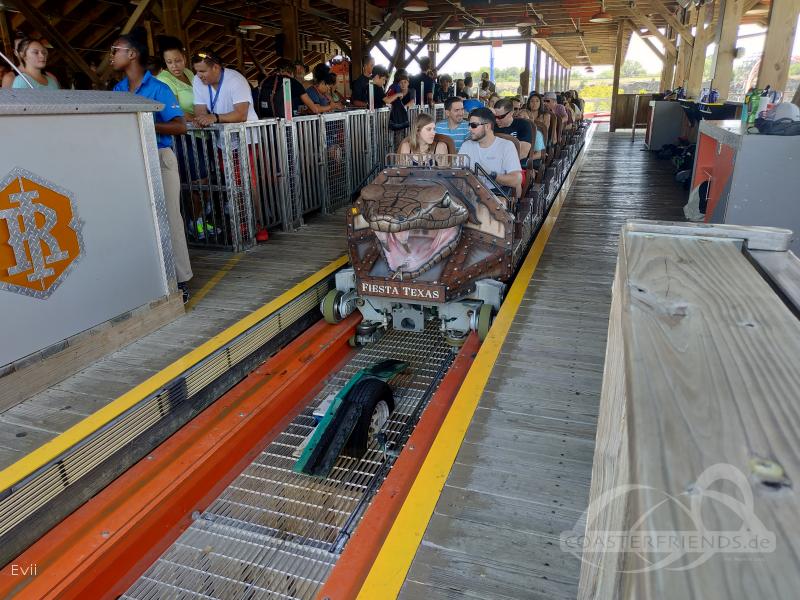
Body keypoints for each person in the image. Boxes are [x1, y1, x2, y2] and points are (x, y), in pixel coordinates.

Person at [110, 29, 193, 300]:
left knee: (170, 217)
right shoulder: (118, 91)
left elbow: (180, 126)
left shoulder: (159, 88)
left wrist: (146, 123)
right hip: (133, 158)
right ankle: (150, 278)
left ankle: (181, 279)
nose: (111, 56)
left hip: (160, 155)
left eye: (116, 50)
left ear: (132, 54)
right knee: (141, 218)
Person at [459, 107, 522, 194]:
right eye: (469, 125)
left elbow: (516, 180)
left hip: (495, 194)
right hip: (468, 192)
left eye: (473, 125)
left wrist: (490, 174)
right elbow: (456, 172)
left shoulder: (506, 146)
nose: (469, 129)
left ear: (487, 126)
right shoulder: (466, 145)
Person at [192, 49, 257, 125]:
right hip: (221, 130)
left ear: (216, 67)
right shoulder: (197, 80)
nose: (198, 75)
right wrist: (202, 120)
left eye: (202, 71)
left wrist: (215, 118)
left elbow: (241, 115)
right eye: (196, 71)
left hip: (246, 130)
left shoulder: (236, 80)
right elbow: (200, 108)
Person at [492, 98, 543, 166]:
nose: (496, 120)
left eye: (500, 117)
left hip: (514, 165)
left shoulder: (523, 124)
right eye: (494, 116)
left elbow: (523, 153)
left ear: (511, 113)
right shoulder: (491, 125)